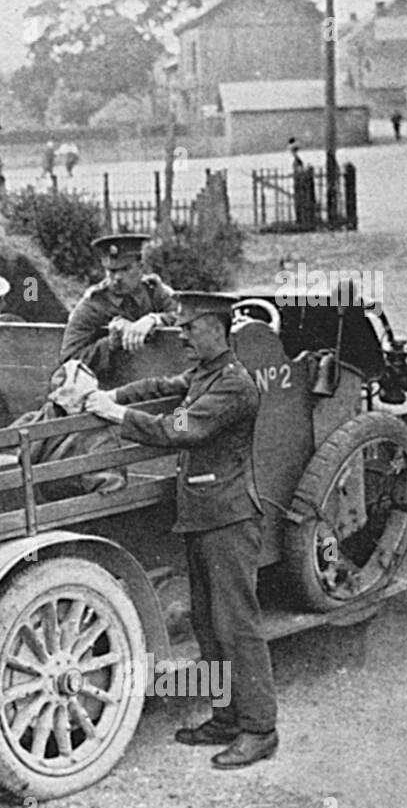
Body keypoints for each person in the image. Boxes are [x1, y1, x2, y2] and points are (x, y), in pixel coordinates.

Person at [85, 292, 278, 769]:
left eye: (191, 328)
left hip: (229, 520)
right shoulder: (204, 374)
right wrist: (110, 395)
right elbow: (159, 385)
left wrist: (115, 415)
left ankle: (260, 729)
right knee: (208, 624)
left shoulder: (234, 385)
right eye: (182, 327)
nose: (183, 337)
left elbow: (181, 428)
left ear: (219, 329)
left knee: (237, 626)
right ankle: (225, 717)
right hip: (203, 516)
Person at [59, 233, 179, 372]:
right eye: (112, 271)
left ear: (140, 267)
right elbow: (68, 360)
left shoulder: (154, 291)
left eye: (126, 269)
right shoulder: (92, 305)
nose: (117, 278)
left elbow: (186, 316)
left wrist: (154, 320)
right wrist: (109, 344)